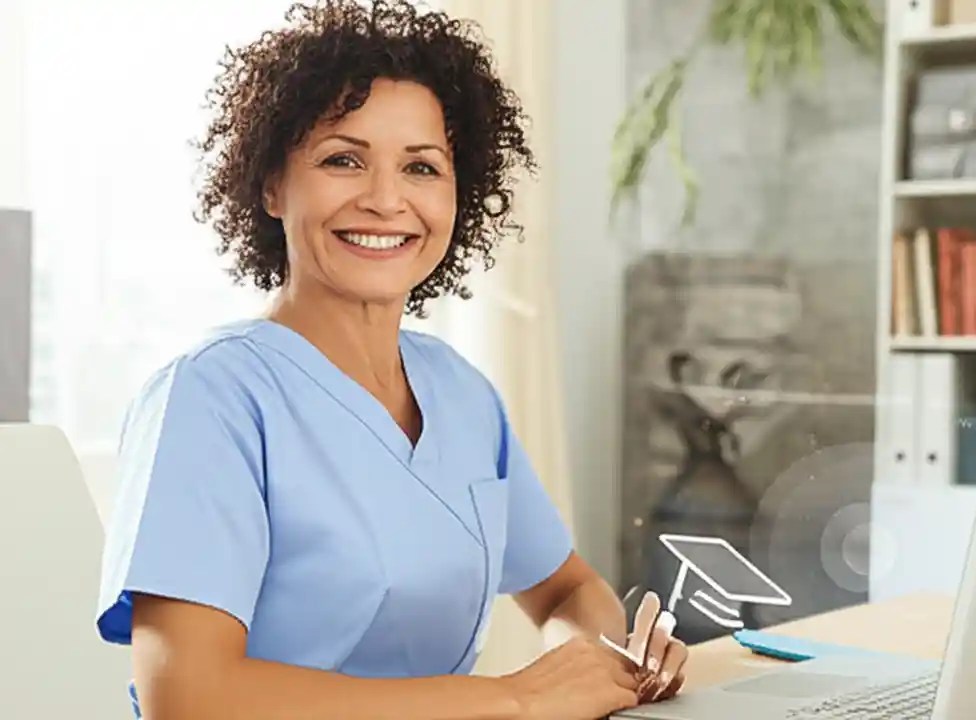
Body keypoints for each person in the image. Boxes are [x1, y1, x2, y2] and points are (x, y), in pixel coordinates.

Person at [94, 1, 686, 718]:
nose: (385, 199)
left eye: (421, 167)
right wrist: (514, 699)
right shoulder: (209, 397)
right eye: (343, 160)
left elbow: (568, 590)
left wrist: (605, 666)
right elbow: (188, 697)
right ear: (272, 185)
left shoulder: (461, 394)